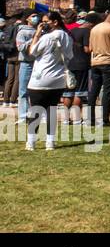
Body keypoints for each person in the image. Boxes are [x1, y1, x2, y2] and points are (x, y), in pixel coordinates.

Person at [23, 10, 72, 151]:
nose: (43, 24)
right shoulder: (67, 37)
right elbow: (69, 56)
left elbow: (32, 51)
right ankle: (50, 142)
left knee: (35, 111)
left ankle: (31, 142)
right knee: (52, 110)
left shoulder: (47, 37)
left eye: (45, 22)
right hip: (58, 78)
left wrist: (37, 34)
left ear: (55, 22)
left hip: (40, 78)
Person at [86, 10, 110, 128]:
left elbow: (90, 48)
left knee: (93, 91)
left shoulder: (94, 28)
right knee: (107, 92)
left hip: (95, 61)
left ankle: (90, 119)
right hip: (108, 61)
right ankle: (105, 119)